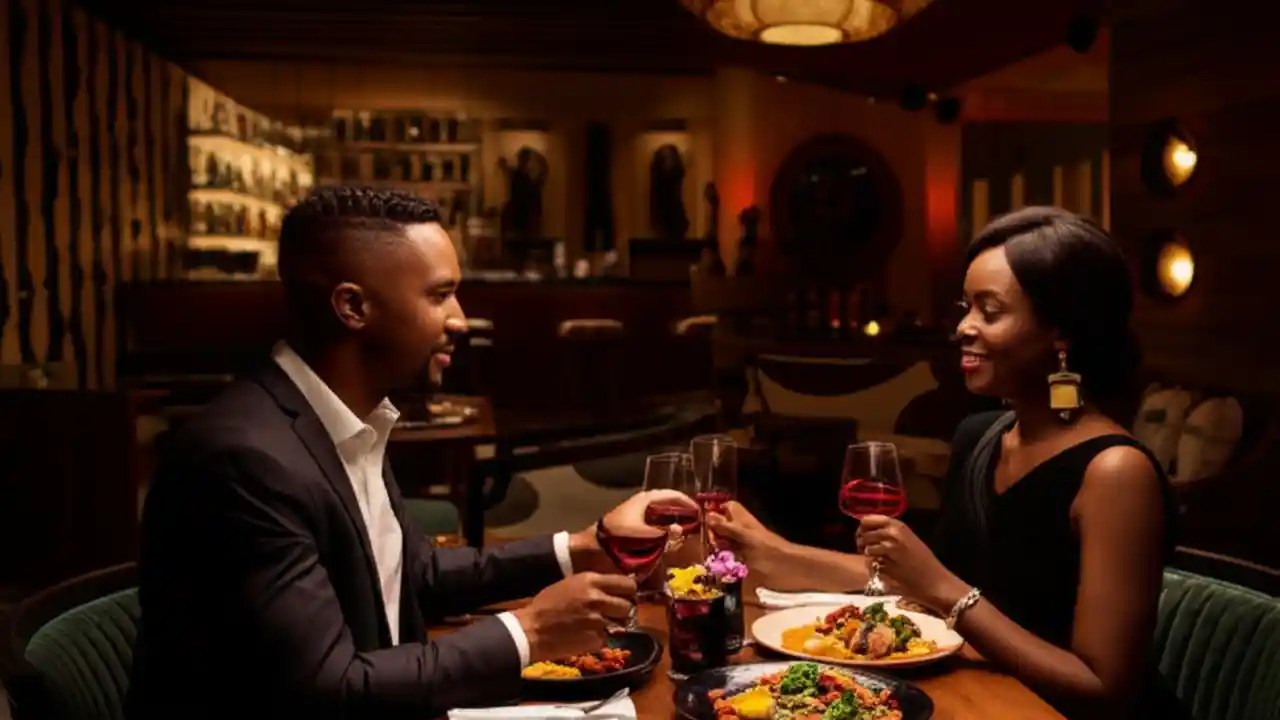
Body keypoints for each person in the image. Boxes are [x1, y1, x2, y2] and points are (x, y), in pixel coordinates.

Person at [126, 187, 695, 719]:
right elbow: (328, 689)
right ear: (352, 306)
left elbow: (413, 573)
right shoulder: (243, 461)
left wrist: (583, 547)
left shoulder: (346, 419)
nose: (459, 319)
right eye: (439, 295)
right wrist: (530, 633)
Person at [709, 207, 1186, 719]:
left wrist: (941, 588)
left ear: (1061, 333)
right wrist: (773, 554)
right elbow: (922, 582)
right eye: (966, 307)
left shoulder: (1114, 473)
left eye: (990, 311)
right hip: (989, 702)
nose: (963, 328)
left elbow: (1103, 689)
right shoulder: (981, 437)